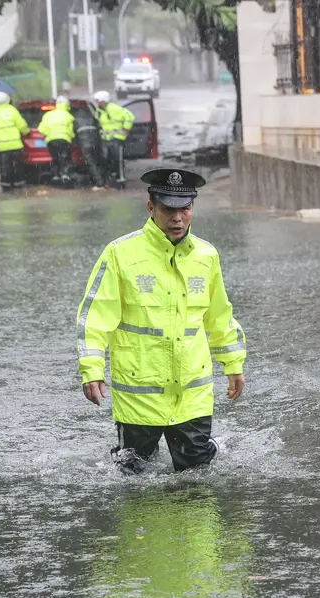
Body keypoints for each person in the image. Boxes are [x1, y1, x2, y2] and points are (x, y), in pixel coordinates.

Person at [76, 168, 247, 473]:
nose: (178, 218)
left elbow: (220, 315)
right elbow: (95, 317)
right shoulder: (120, 254)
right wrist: (92, 370)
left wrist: (233, 364)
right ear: (151, 207)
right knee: (134, 476)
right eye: (169, 209)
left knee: (197, 477)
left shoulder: (206, 256)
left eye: (185, 208)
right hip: (139, 395)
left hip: (191, 394)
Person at [93, 90, 135, 188]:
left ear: (103, 100)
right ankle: (112, 177)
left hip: (117, 138)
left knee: (118, 159)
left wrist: (126, 128)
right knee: (107, 159)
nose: (97, 103)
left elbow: (130, 116)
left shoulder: (114, 108)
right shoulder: (99, 112)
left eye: (98, 101)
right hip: (106, 139)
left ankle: (121, 180)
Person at [0, 91, 30, 189]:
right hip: (15, 144)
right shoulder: (13, 111)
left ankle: (5, 185)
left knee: (4, 167)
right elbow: (22, 125)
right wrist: (27, 132)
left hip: (2, 146)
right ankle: (18, 183)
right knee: (17, 165)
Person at [37, 96, 76, 185]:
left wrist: (50, 133)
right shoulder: (69, 116)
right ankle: (65, 175)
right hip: (64, 140)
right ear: (67, 105)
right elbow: (71, 132)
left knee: (55, 158)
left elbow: (41, 129)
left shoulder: (48, 115)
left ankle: (56, 176)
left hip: (51, 140)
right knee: (65, 158)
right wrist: (72, 137)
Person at [74, 108, 107, 190]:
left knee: (92, 163)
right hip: (95, 143)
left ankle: (100, 183)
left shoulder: (73, 120)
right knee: (97, 162)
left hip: (85, 145)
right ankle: (103, 181)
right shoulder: (93, 118)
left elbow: (73, 135)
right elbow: (100, 130)